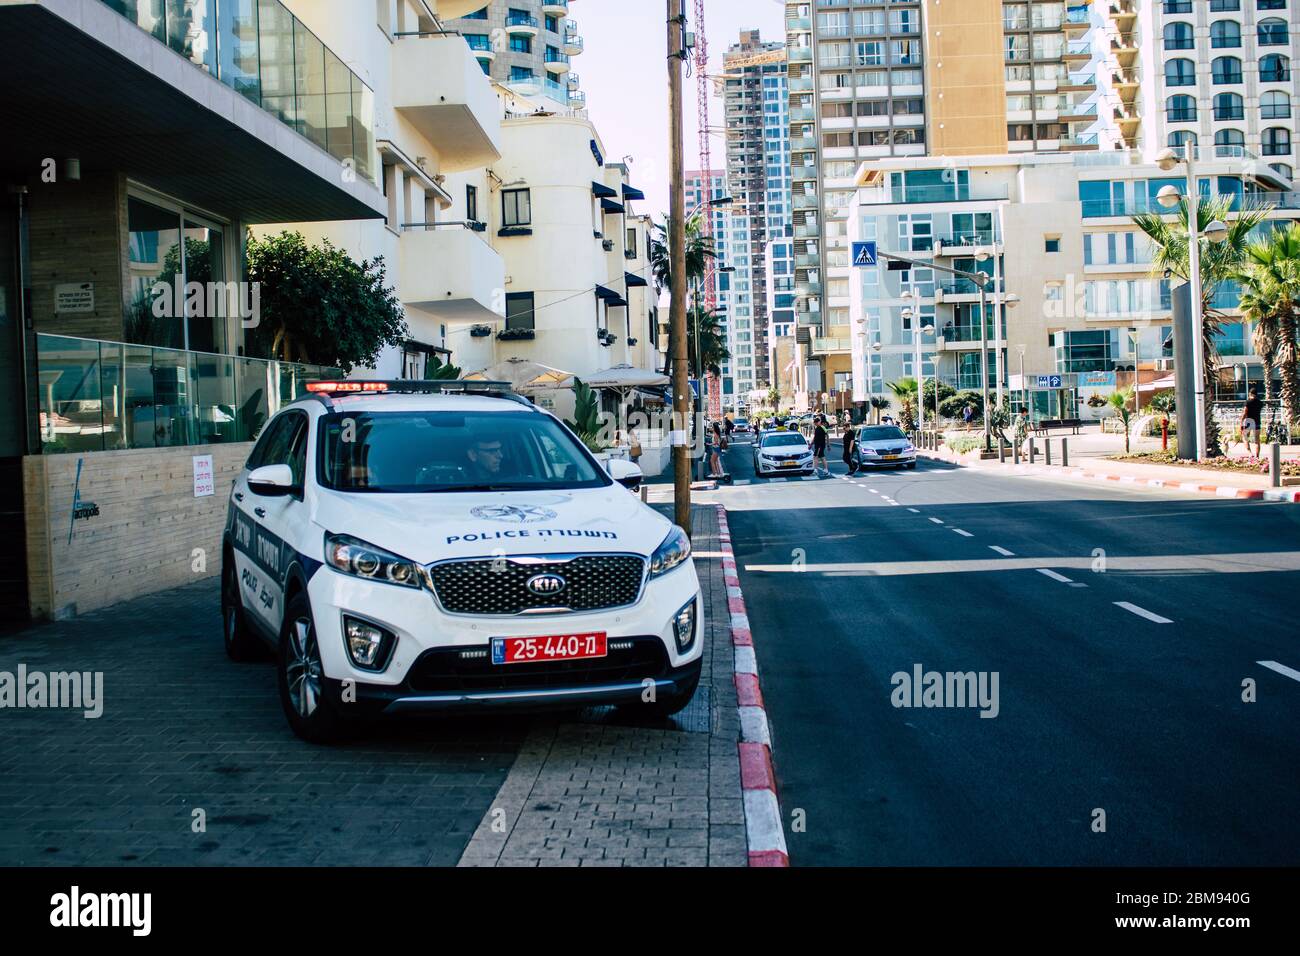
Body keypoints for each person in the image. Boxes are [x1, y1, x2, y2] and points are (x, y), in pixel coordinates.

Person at [1242, 386, 1263, 457]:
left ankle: (1250, 453)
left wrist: (1241, 420)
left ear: (1250, 393)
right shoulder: (1260, 402)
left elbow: (1245, 412)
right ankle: (1257, 456)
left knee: (1245, 437)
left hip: (1248, 420)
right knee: (1257, 440)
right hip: (1257, 421)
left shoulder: (1247, 402)